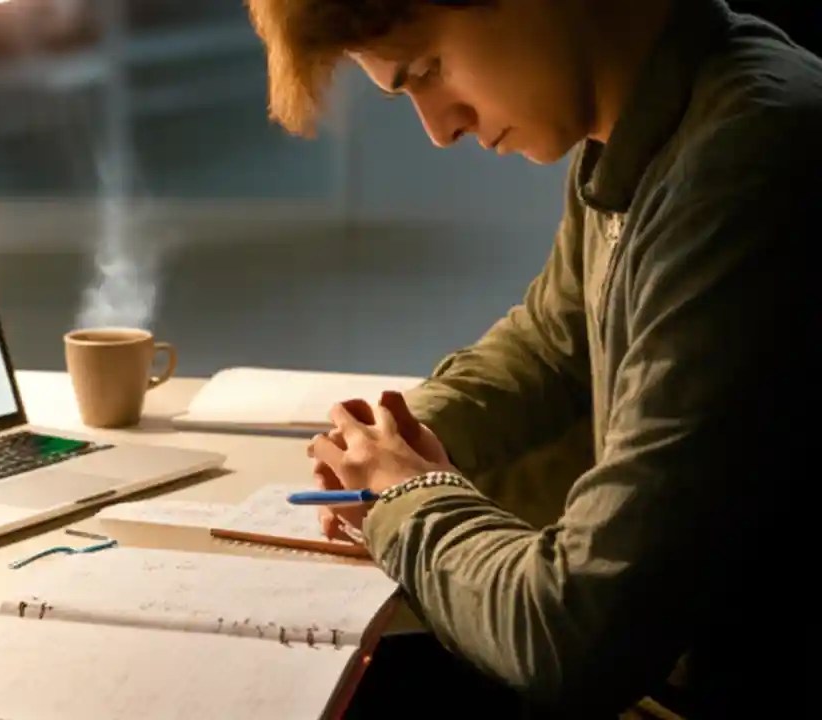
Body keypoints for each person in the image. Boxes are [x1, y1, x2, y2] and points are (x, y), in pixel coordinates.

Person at [244, 0, 819, 717]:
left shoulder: (747, 161)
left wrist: (403, 500)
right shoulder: (637, 133)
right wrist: (396, 439)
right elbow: (554, 345)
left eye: (427, 69)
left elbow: (577, 632)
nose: (440, 128)